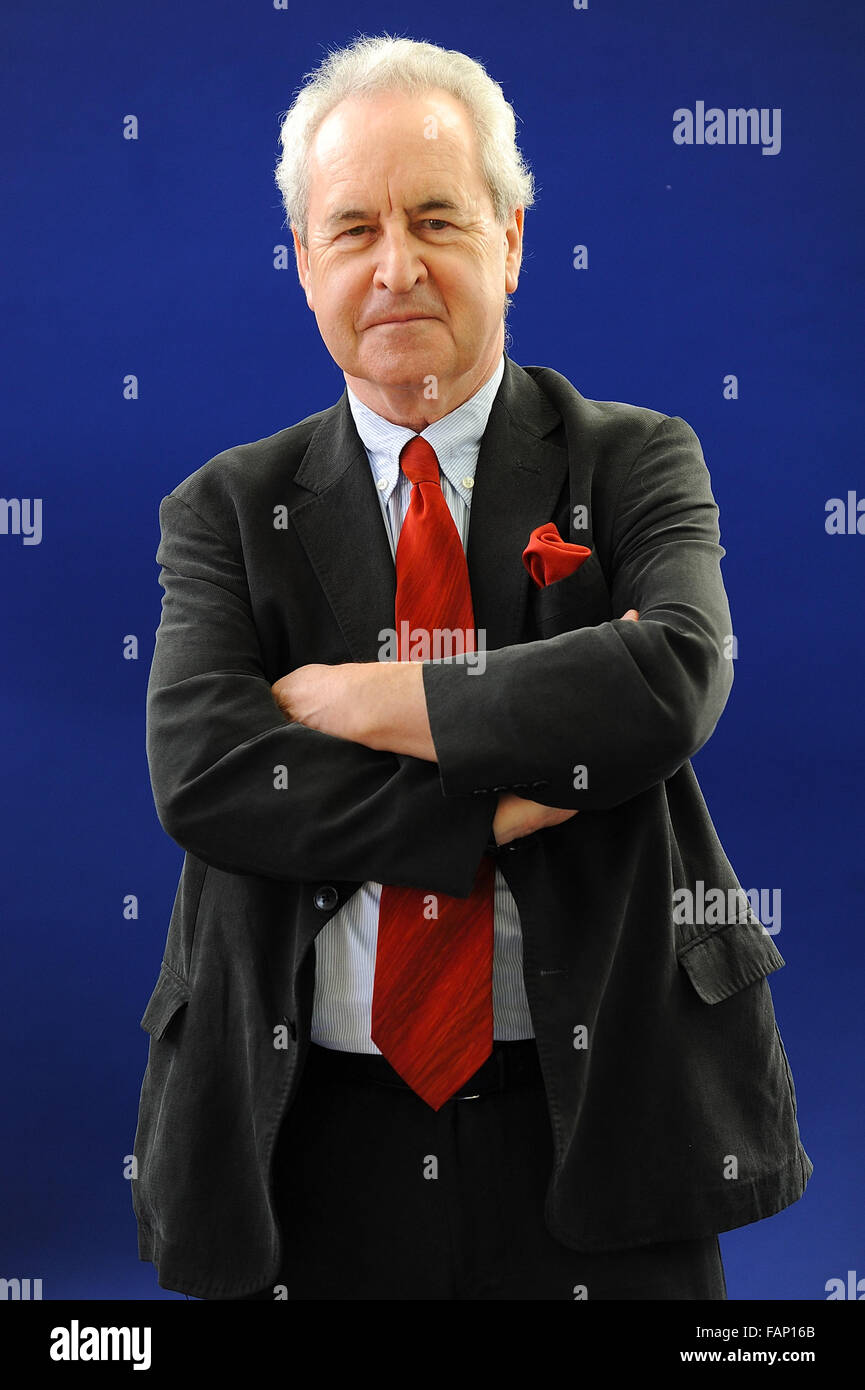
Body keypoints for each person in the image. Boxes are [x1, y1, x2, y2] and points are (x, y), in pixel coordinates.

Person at [131, 33, 812, 1301]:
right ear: (303, 264)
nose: (395, 267)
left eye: (436, 219)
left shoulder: (635, 461)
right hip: (304, 1133)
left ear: (509, 238)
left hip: (600, 1117)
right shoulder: (225, 509)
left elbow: (668, 680)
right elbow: (207, 774)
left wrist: (366, 697)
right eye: (353, 230)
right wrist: (494, 800)